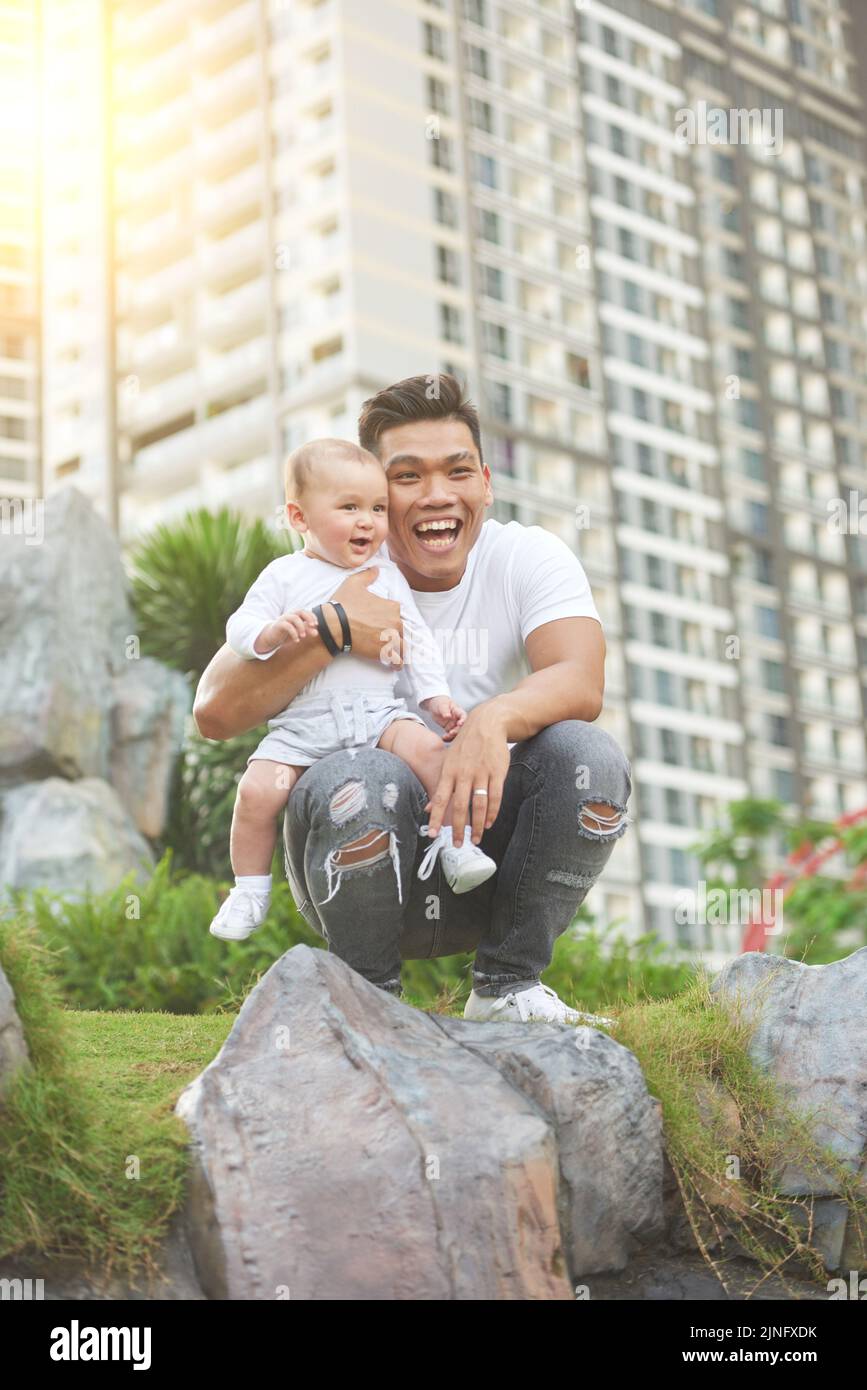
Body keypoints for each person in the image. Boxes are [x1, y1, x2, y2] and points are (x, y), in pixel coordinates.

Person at [194, 374, 632, 1025]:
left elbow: (579, 679)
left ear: (484, 482)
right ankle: (370, 1005)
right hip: (357, 854)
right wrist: (338, 629)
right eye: (406, 478)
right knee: (362, 773)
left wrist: (492, 718)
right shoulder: (312, 574)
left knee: (588, 758)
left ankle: (507, 985)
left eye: (456, 472)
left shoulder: (526, 556)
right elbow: (214, 714)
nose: (436, 495)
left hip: (484, 862)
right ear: (373, 489)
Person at [209, 437, 497, 941]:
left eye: (378, 508)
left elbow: (417, 639)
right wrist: (269, 635)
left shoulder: (385, 575)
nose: (368, 521)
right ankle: (249, 891)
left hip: (376, 715)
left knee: (433, 755)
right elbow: (240, 626)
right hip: (302, 726)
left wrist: (434, 696)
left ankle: (454, 844)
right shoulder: (284, 575)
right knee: (255, 792)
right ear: (299, 518)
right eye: (350, 508)